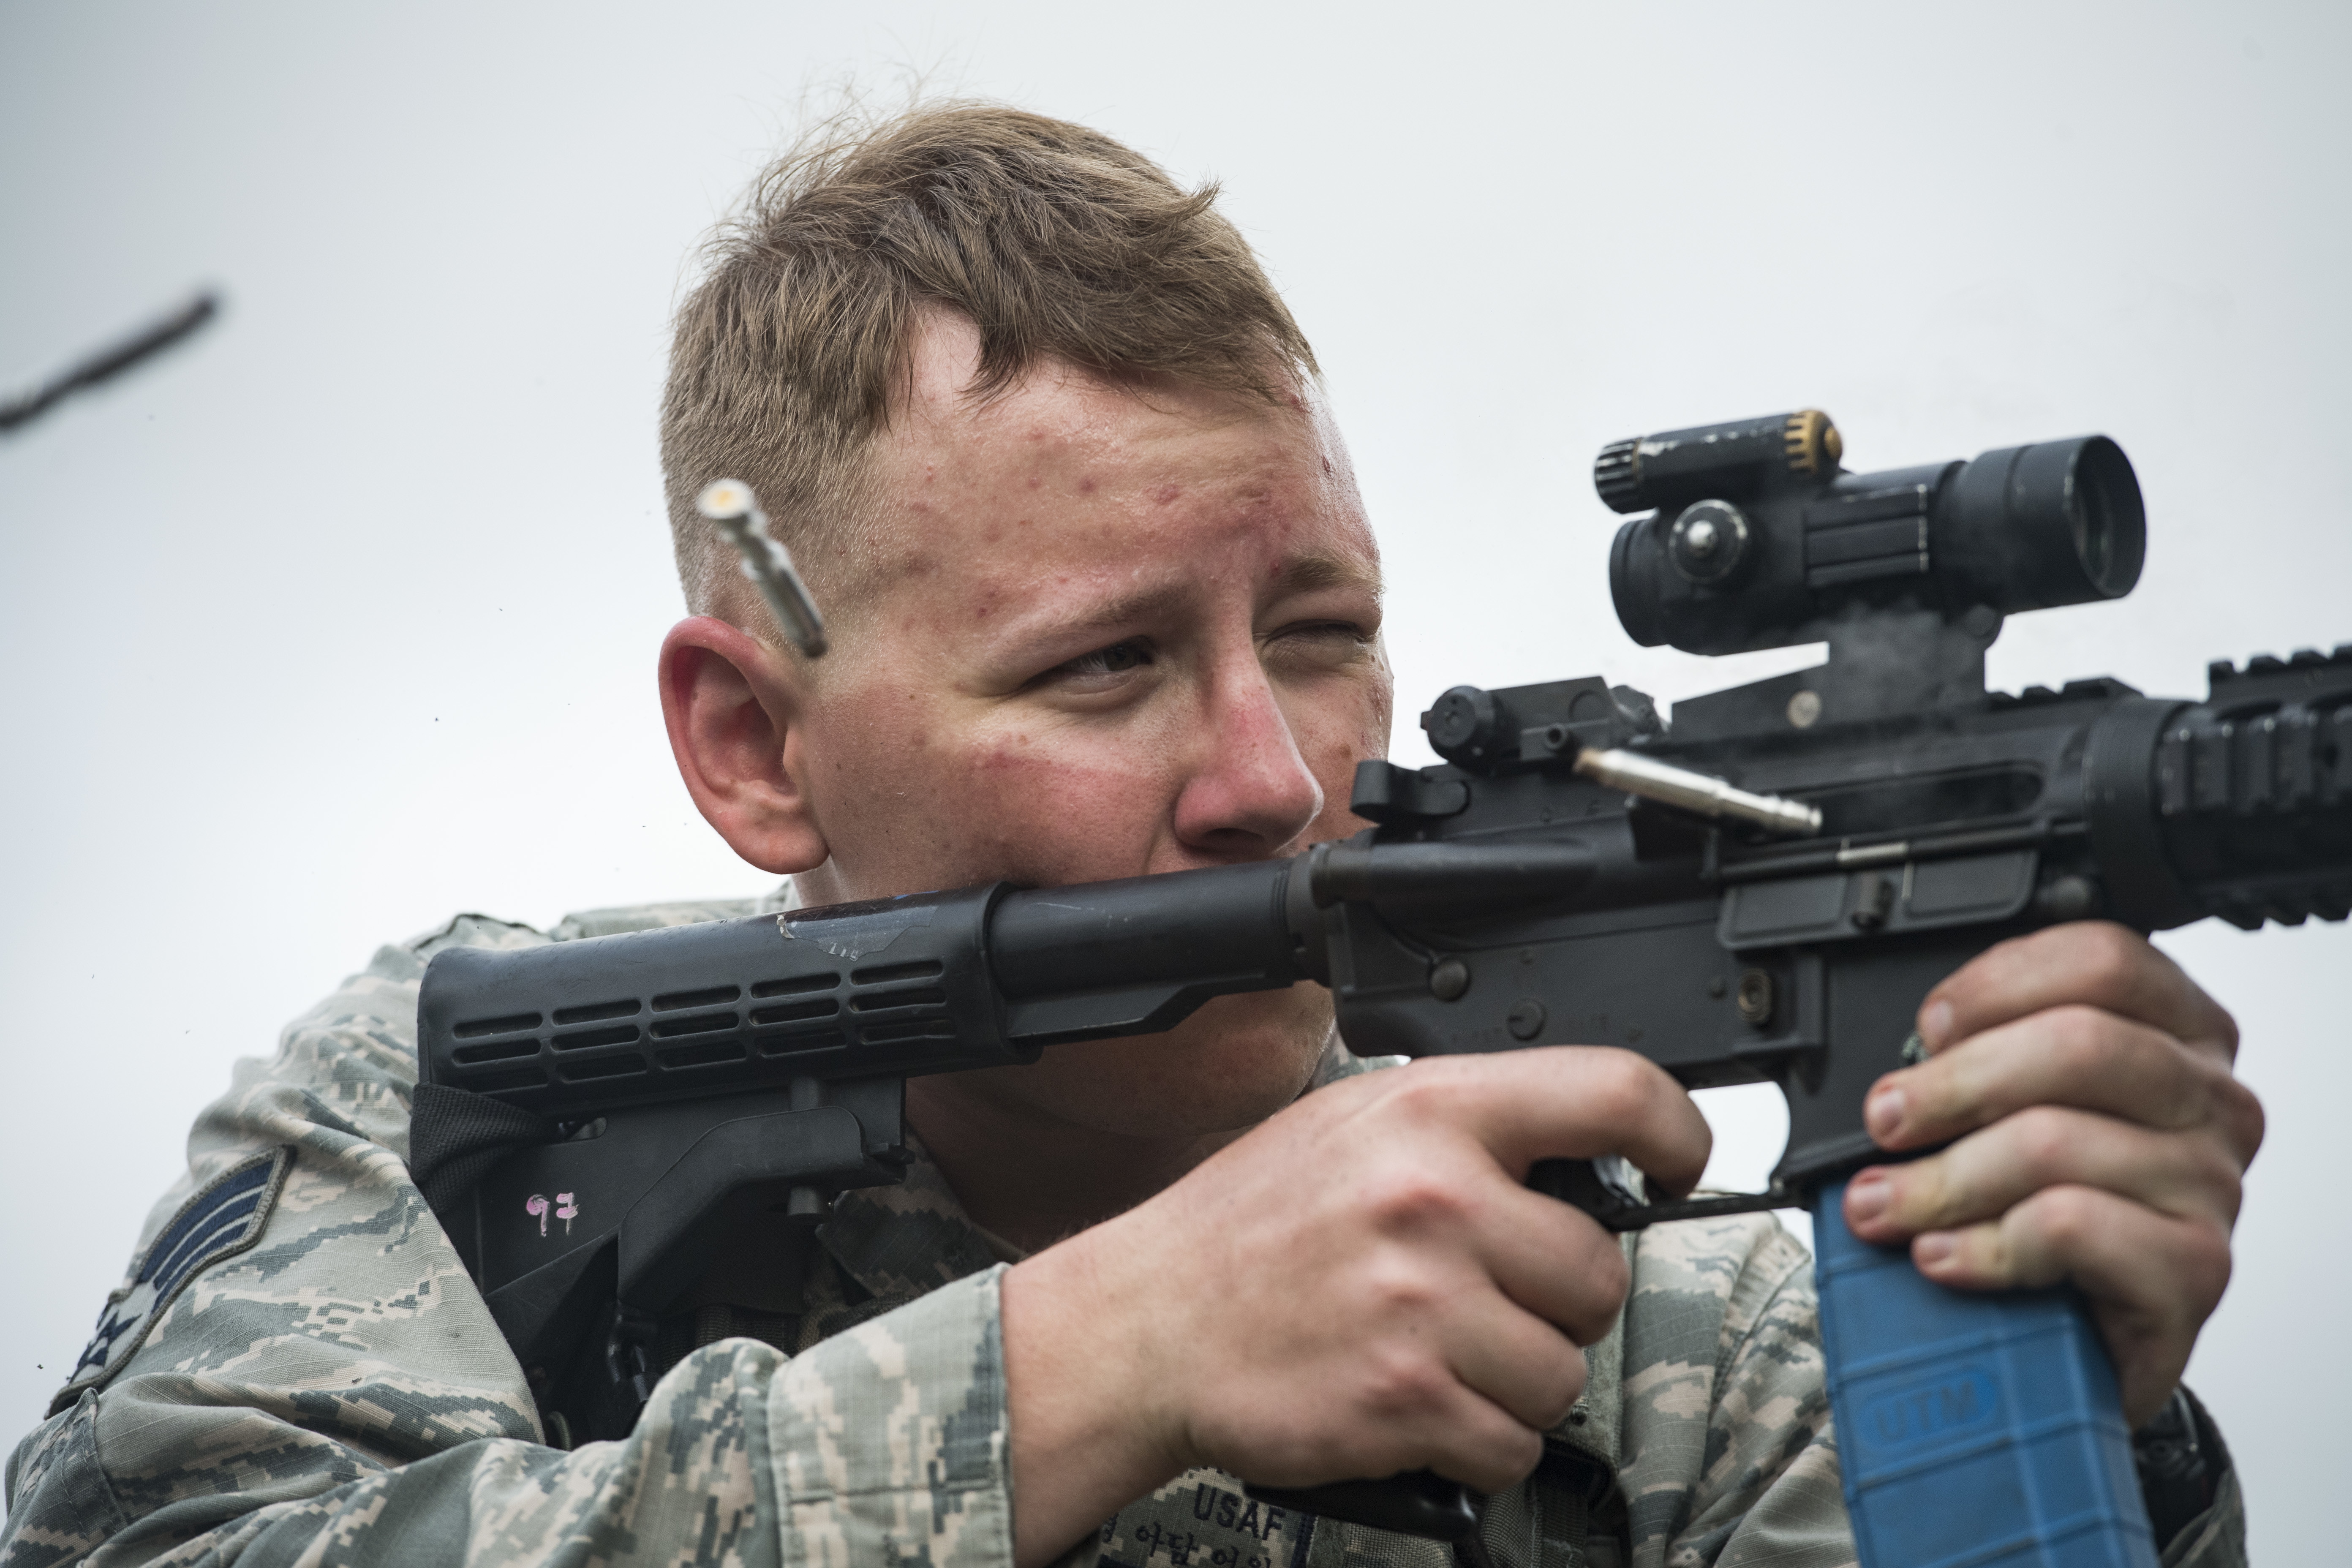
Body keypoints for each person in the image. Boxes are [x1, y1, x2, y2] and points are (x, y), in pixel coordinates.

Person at [2, 103, 2256, 1568]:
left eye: (1327, 628)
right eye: (1103, 667)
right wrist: (1098, 1363)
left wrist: (2114, 1432)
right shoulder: (455, 1117)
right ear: (755, 749)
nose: (1276, 776)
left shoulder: (1678, 1326)